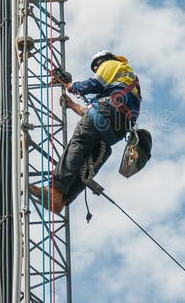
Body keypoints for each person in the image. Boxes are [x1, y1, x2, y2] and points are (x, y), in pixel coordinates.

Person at [30, 50, 142, 213]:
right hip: (116, 128)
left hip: (105, 114)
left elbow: (94, 84)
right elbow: (92, 112)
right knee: (87, 164)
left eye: (97, 66)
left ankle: (55, 191)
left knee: (78, 144)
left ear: (103, 60)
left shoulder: (112, 64)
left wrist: (73, 87)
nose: (97, 68)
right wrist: (71, 105)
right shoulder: (124, 86)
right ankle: (62, 200)